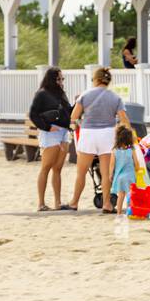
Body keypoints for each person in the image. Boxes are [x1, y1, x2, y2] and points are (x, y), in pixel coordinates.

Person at [65, 67, 129, 213]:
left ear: (96, 79)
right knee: (106, 173)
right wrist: (129, 134)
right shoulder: (115, 97)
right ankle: (106, 204)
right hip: (107, 135)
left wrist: (75, 126)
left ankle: (74, 202)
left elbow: (73, 117)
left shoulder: (85, 95)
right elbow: (124, 119)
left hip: (88, 134)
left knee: (81, 172)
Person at [28, 67, 72, 212]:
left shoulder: (61, 93)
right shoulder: (41, 94)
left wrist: (78, 104)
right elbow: (33, 114)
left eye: (62, 79)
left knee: (58, 169)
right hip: (50, 133)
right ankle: (41, 203)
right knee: (46, 167)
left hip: (63, 132)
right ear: (51, 79)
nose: (61, 82)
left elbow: (67, 111)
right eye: (58, 79)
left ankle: (58, 203)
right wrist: (46, 127)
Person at [109, 125, 140, 215]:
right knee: (129, 195)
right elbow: (136, 163)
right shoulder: (131, 150)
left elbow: (112, 165)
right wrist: (137, 170)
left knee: (121, 195)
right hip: (130, 176)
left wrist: (110, 175)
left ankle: (118, 212)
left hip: (119, 177)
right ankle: (129, 212)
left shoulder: (114, 151)